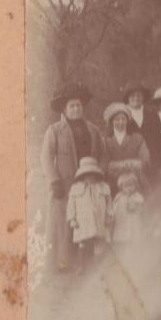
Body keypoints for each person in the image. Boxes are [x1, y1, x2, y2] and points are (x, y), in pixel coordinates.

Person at [42, 82, 104, 273]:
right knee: (63, 222)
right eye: (71, 106)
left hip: (88, 183)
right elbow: (45, 156)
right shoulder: (54, 130)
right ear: (64, 109)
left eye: (78, 105)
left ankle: (84, 261)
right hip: (65, 183)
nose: (76, 109)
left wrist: (99, 175)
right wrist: (54, 181)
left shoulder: (93, 129)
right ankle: (62, 262)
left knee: (86, 219)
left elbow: (102, 154)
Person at [65, 155, 111, 272]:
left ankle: (98, 266)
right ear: (82, 176)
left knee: (99, 242)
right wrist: (72, 219)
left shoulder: (103, 188)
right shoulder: (76, 189)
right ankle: (80, 265)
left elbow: (109, 203)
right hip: (83, 222)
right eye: (87, 175)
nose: (90, 177)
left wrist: (109, 215)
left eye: (92, 174)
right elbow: (71, 206)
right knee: (83, 243)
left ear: (96, 175)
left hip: (99, 219)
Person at [100, 101, 150, 185]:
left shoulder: (138, 138)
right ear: (111, 122)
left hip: (136, 181)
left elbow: (145, 161)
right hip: (113, 182)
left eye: (123, 119)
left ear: (127, 120)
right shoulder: (105, 140)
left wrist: (116, 166)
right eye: (117, 119)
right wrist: (132, 164)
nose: (121, 122)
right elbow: (105, 165)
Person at [109, 171, 147, 252]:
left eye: (131, 185)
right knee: (123, 238)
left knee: (134, 237)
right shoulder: (119, 196)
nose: (129, 188)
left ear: (135, 185)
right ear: (121, 187)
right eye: (126, 186)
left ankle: (134, 253)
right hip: (122, 220)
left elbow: (141, 207)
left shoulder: (137, 196)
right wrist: (113, 215)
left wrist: (135, 206)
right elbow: (115, 208)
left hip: (133, 220)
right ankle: (124, 251)